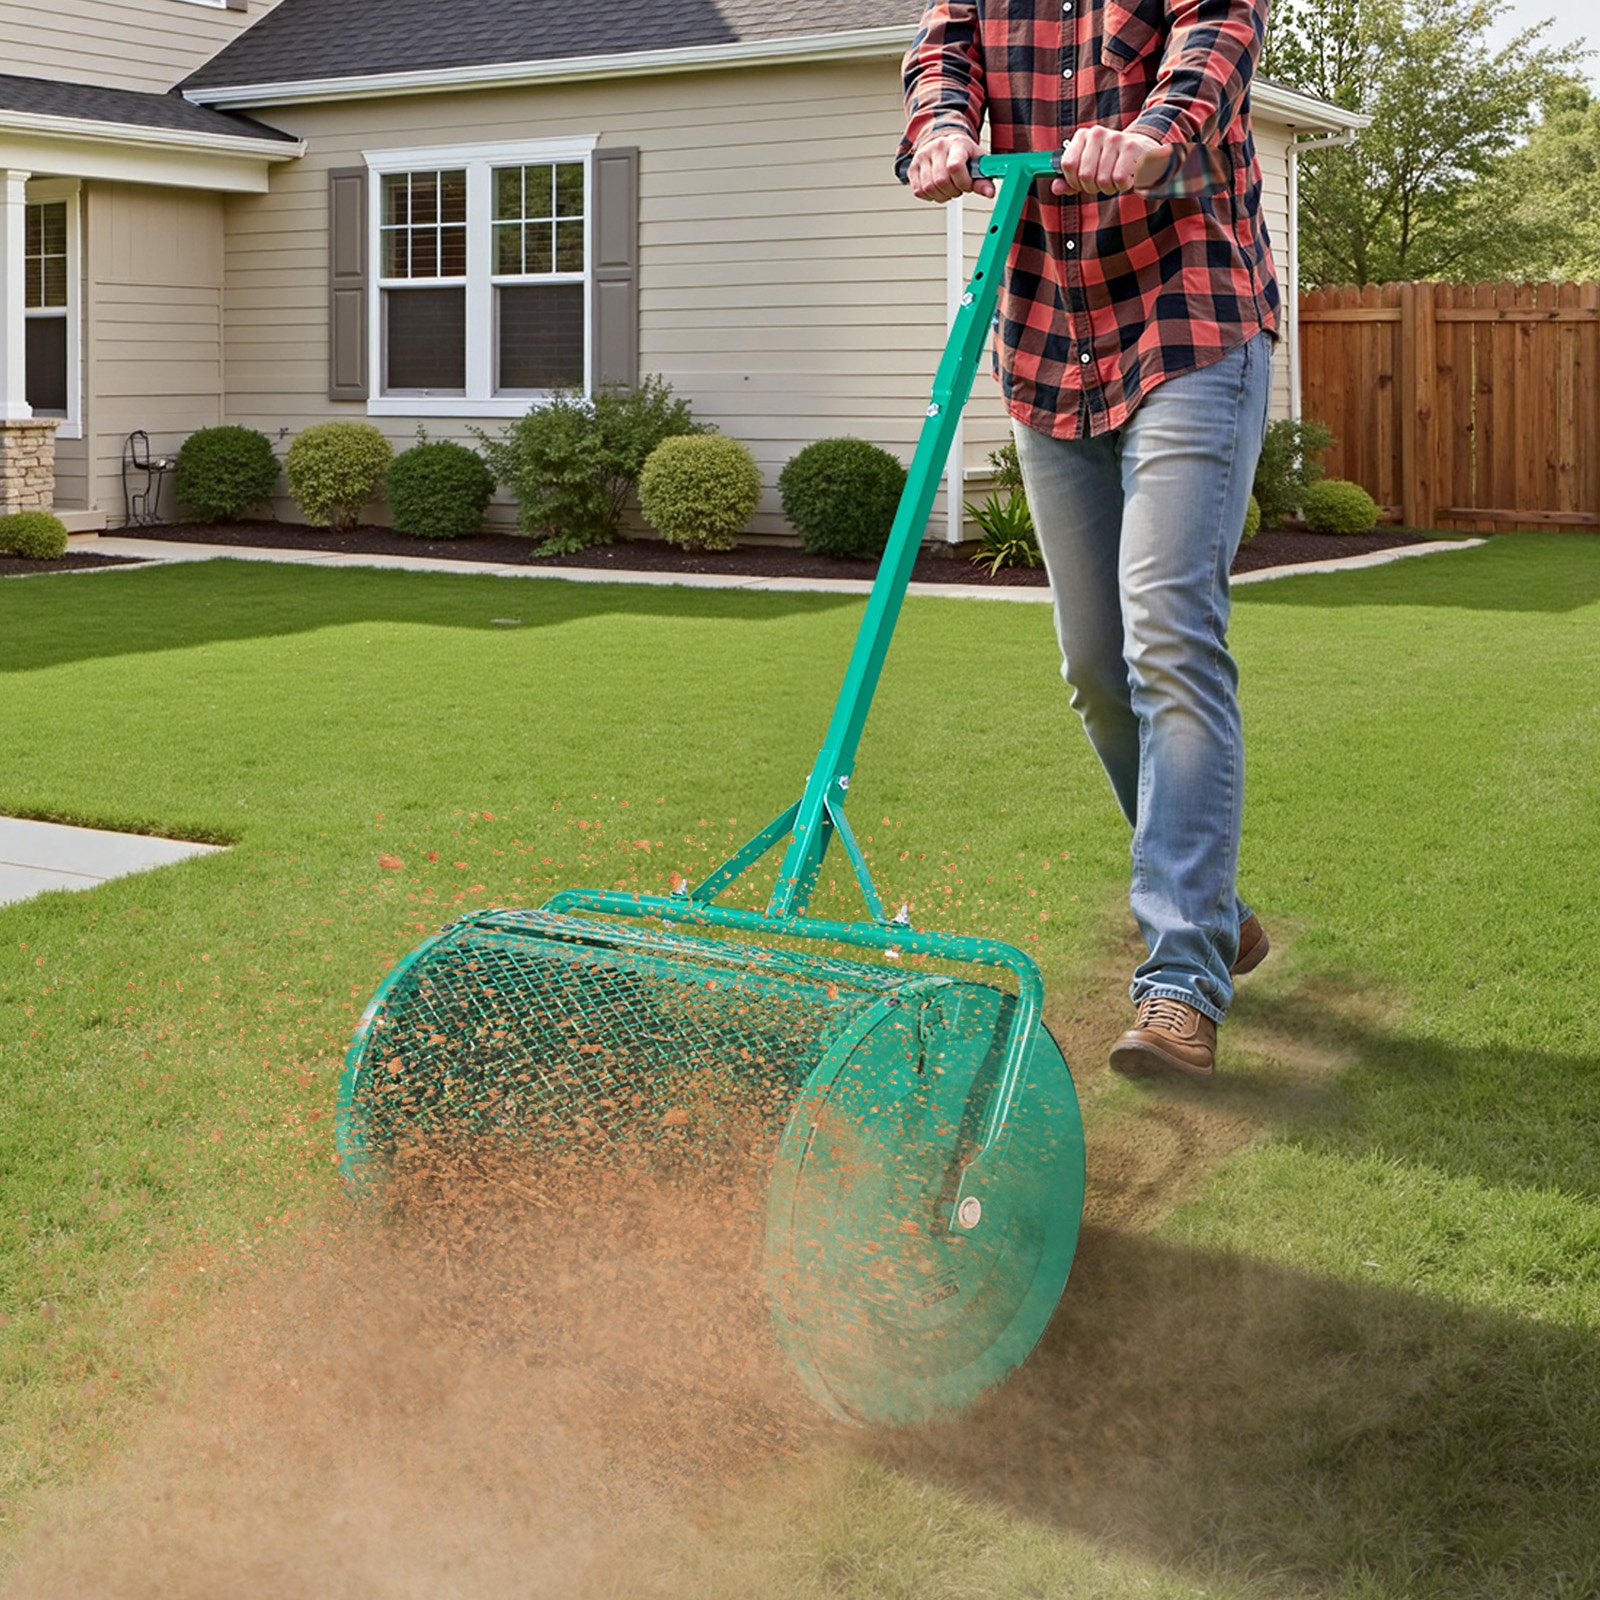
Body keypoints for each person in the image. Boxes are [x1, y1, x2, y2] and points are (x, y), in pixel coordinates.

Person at [898, 0, 1277, 1080]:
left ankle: (1179, 982)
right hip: (1046, 344)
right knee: (1095, 667)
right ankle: (1214, 909)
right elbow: (945, 50)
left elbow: (1215, 39)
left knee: (1166, 635)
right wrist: (940, 130)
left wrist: (1153, 135)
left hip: (1188, 325)